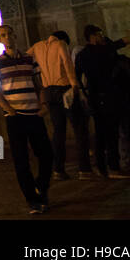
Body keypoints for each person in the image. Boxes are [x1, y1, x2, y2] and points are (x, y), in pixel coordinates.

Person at [0, 23, 53, 214]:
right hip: (15, 117)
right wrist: (10, 110)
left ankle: (40, 187)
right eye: (3, 35)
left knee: (47, 155)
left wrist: (43, 106)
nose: (7, 37)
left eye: (9, 34)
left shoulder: (29, 59)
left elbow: (38, 84)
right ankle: (33, 199)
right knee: (21, 159)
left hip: (34, 114)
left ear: (15, 36)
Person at [74, 23, 130, 179]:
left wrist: (85, 94)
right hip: (109, 97)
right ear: (93, 37)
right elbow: (122, 42)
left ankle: (101, 167)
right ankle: (114, 168)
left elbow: (77, 76)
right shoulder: (103, 51)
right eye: (100, 34)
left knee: (100, 134)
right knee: (112, 134)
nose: (102, 37)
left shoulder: (81, 55)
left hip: (95, 98)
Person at [29, 29, 88, 180]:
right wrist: (75, 87)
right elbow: (68, 66)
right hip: (64, 89)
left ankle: (58, 170)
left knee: (58, 131)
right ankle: (84, 170)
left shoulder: (37, 46)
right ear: (65, 40)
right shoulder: (61, 45)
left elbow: (25, 58)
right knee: (80, 128)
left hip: (49, 91)